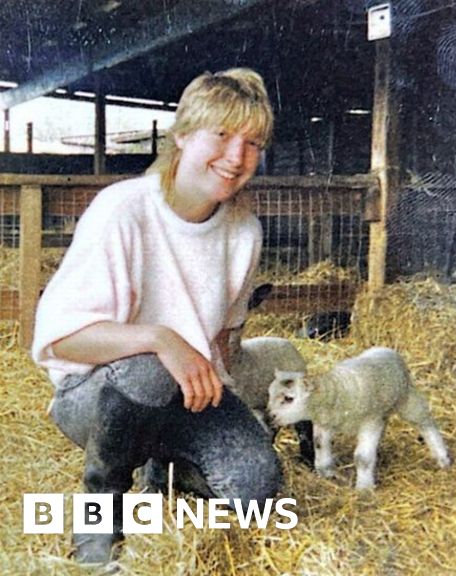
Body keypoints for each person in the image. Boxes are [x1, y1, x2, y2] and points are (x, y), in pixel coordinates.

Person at [31, 68, 280, 563]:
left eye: (253, 143)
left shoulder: (244, 231)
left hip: (183, 396)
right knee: (151, 362)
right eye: (223, 135)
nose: (237, 157)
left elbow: (223, 347)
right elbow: (58, 342)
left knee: (257, 488)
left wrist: (241, 417)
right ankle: (98, 521)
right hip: (96, 397)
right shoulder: (122, 209)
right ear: (183, 136)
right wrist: (163, 338)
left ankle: (160, 466)